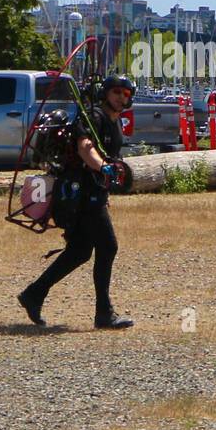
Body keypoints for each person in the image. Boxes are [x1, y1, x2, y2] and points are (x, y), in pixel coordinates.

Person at [17, 75, 135, 330]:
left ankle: (33, 294)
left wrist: (107, 182)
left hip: (93, 195)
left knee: (80, 251)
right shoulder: (93, 117)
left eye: (126, 94)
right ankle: (104, 314)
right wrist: (104, 168)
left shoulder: (114, 123)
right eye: (116, 92)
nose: (121, 97)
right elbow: (85, 147)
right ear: (106, 93)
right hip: (78, 196)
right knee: (108, 247)